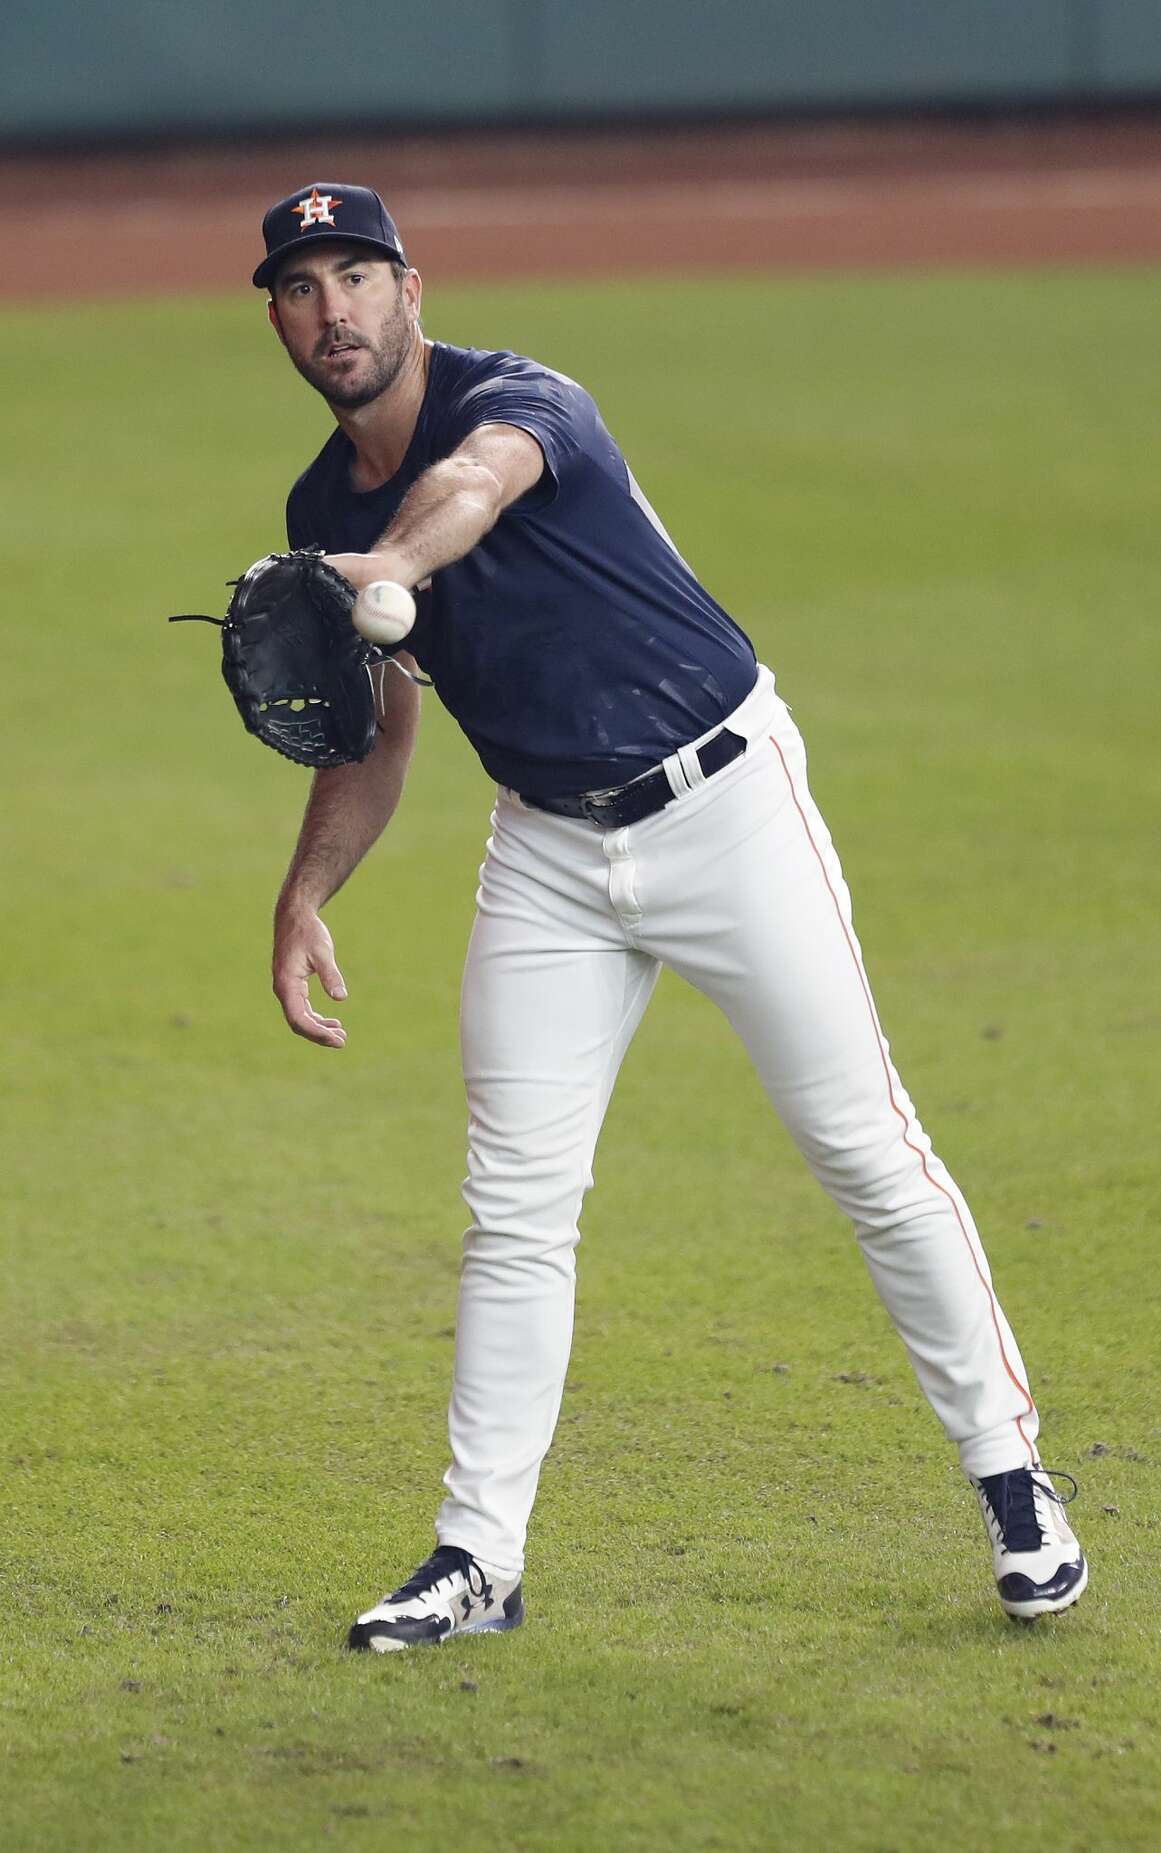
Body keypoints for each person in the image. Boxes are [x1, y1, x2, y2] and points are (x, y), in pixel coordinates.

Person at [252, 182, 1087, 1652]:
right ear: (277, 320)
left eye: (356, 276)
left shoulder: (526, 402)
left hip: (726, 810)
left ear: (410, 287)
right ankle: (478, 1556)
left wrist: (395, 566)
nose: (334, 311)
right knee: (515, 1208)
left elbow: (473, 491)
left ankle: (1015, 1481)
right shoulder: (320, 511)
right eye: (301, 287)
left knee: (866, 1153)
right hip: (548, 856)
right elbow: (379, 737)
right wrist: (307, 889)